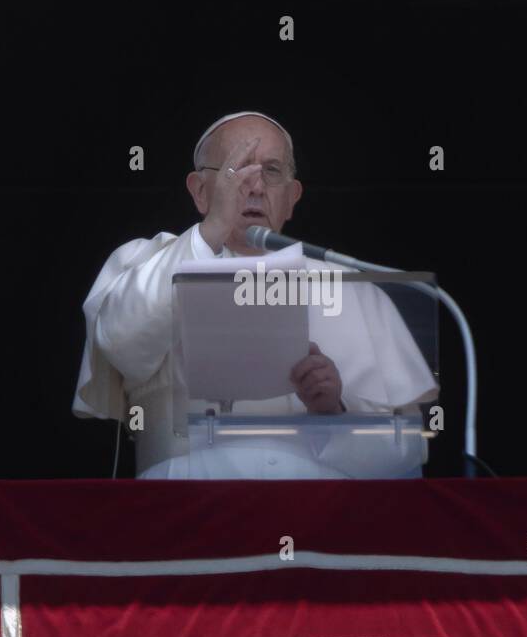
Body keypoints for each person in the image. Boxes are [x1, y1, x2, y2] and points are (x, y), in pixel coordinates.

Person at [74, 110, 437, 478]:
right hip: (183, 512)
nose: (256, 186)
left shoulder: (352, 289)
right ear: (200, 192)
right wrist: (213, 228)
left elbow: (407, 455)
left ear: (292, 197)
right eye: (237, 170)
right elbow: (118, 343)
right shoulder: (147, 262)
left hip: (317, 521)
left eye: (272, 170)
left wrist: (333, 414)